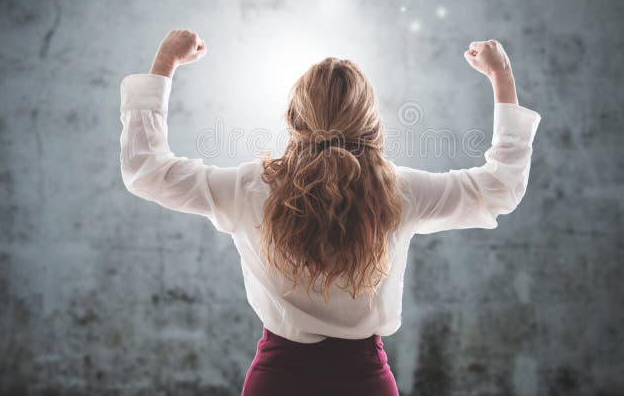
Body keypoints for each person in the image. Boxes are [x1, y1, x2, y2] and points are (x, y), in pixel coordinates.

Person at [119, 29, 541, 396]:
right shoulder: (400, 191)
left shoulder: (250, 188)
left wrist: (166, 62)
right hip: (365, 384)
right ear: (371, 123)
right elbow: (500, 187)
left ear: (293, 118)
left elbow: (147, 170)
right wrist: (501, 76)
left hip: (277, 384)